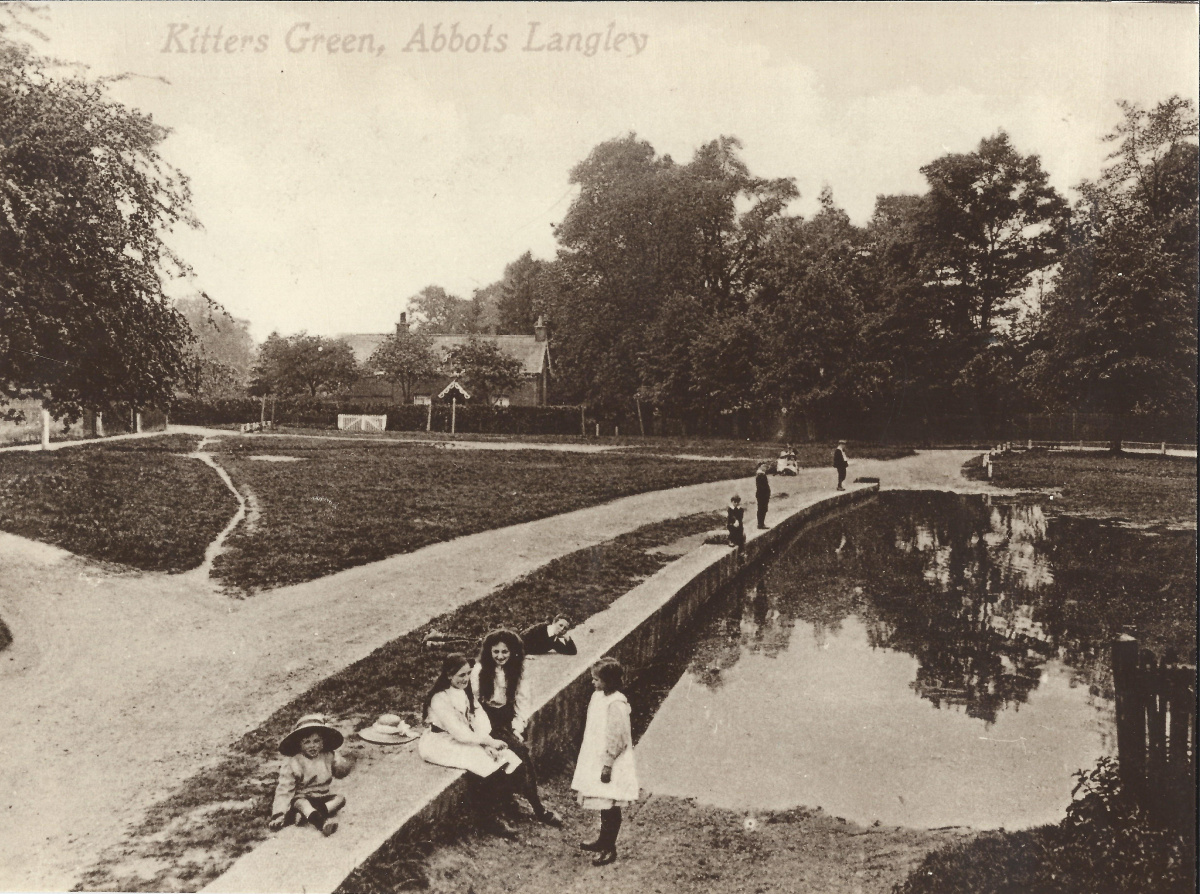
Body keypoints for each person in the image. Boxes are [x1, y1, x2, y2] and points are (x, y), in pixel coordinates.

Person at [418, 652, 523, 838]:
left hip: (463, 738)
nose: (465, 679)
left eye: (468, 674)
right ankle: (489, 819)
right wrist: (487, 743)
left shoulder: (465, 693)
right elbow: (458, 731)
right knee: (482, 761)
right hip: (440, 743)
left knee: (505, 756)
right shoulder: (439, 699)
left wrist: (487, 743)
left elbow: (479, 720)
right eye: (461, 675)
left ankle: (504, 804)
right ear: (449, 675)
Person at [471, 629, 562, 826]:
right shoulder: (479, 671)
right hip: (485, 720)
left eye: (505, 652)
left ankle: (531, 805)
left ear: (513, 652)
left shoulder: (518, 671)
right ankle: (535, 808)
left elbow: (523, 703)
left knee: (521, 754)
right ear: (489, 652)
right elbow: (473, 704)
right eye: (496, 652)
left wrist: (516, 728)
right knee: (518, 755)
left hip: (507, 720)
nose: (500, 656)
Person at [572, 657, 638, 866]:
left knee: (611, 805)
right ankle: (602, 840)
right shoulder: (597, 696)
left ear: (609, 681)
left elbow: (618, 737)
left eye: (597, 680)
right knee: (603, 802)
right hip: (597, 756)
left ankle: (610, 847)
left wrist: (608, 763)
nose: (594, 683)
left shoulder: (616, 703)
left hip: (610, 761)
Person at [269, 714, 351, 837]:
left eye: (316, 741)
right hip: (303, 797)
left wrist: (338, 758)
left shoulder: (328, 756)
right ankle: (321, 823)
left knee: (340, 799)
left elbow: (342, 771)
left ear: (323, 743)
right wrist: (279, 814)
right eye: (306, 742)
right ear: (299, 745)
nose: (312, 745)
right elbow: (284, 789)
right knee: (302, 803)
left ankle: (309, 815)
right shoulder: (294, 762)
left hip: (322, 797)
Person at [755, 463, 771, 529]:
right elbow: (762, 486)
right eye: (763, 466)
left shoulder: (761, 474)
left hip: (762, 494)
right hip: (762, 494)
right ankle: (761, 524)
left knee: (762, 509)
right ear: (760, 467)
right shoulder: (760, 475)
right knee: (762, 509)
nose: (765, 467)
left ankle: (761, 523)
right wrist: (766, 493)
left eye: (765, 466)